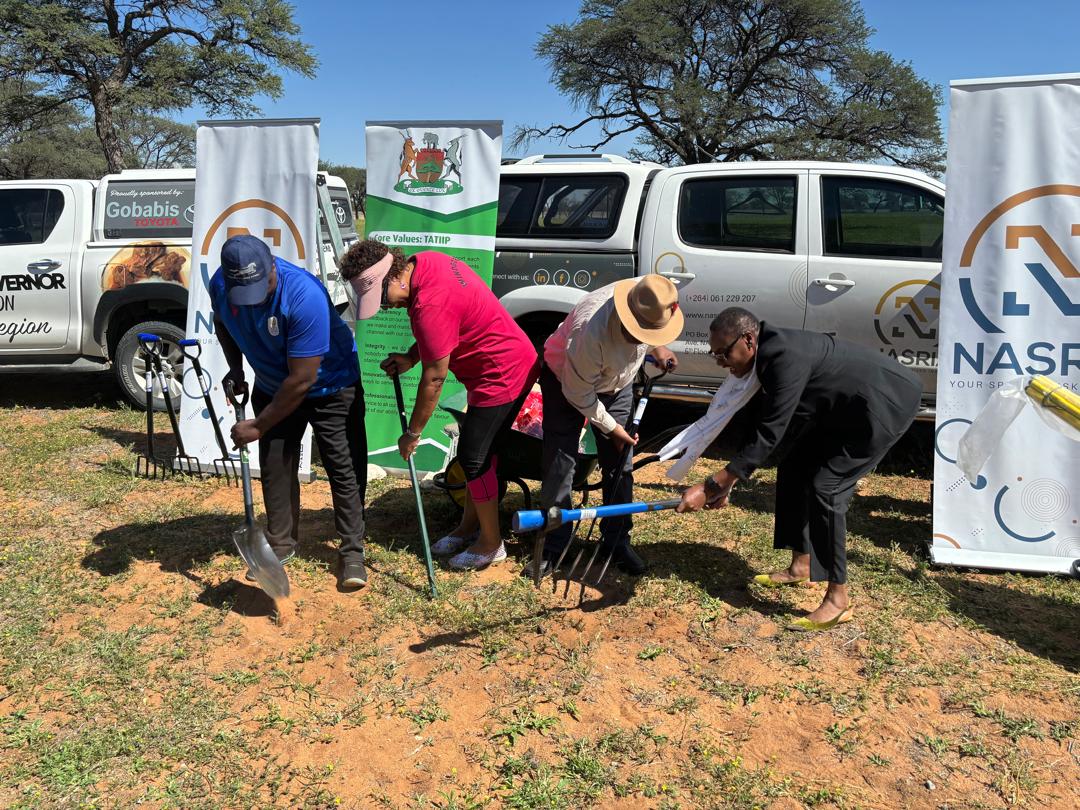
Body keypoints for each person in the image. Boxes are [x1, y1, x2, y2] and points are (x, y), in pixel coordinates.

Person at [677, 308, 922, 631]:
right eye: (714, 354)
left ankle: (837, 599)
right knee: (793, 466)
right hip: (841, 408)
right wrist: (731, 481)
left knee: (827, 487)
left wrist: (711, 486)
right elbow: (773, 426)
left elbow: (770, 433)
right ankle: (801, 565)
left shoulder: (782, 357)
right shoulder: (767, 354)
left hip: (885, 403)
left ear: (748, 340)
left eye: (723, 353)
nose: (720, 362)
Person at [340, 241, 539, 570]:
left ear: (393, 277)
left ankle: (491, 544)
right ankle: (468, 527)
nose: (385, 307)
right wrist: (410, 356)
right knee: (478, 455)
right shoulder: (426, 264)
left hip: (503, 373)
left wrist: (413, 433)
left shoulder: (429, 303)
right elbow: (444, 328)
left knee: (474, 458)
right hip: (496, 367)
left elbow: (434, 379)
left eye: (381, 298)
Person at [211, 235, 368, 589]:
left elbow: (302, 380)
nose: (253, 299)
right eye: (243, 291)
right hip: (271, 383)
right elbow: (223, 323)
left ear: (273, 267)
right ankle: (280, 543)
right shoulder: (222, 284)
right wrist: (236, 369)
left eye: (259, 286)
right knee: (275, 465)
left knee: (343, 467)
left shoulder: (303, 296)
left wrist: (259, 426)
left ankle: (352, 552)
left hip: (330, 385)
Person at [532, 275, 682, 578]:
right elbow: (579, 394)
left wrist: (658, 347)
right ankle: (554, 544)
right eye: (639, 332)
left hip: (617, 384)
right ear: (624, 317)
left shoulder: (649, 293)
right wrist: (612, 427)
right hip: (567, 380)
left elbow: (651, 326)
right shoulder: (590, 332)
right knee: (561, 461)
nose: (642, 338)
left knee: (621, 462)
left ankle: (616, 540)